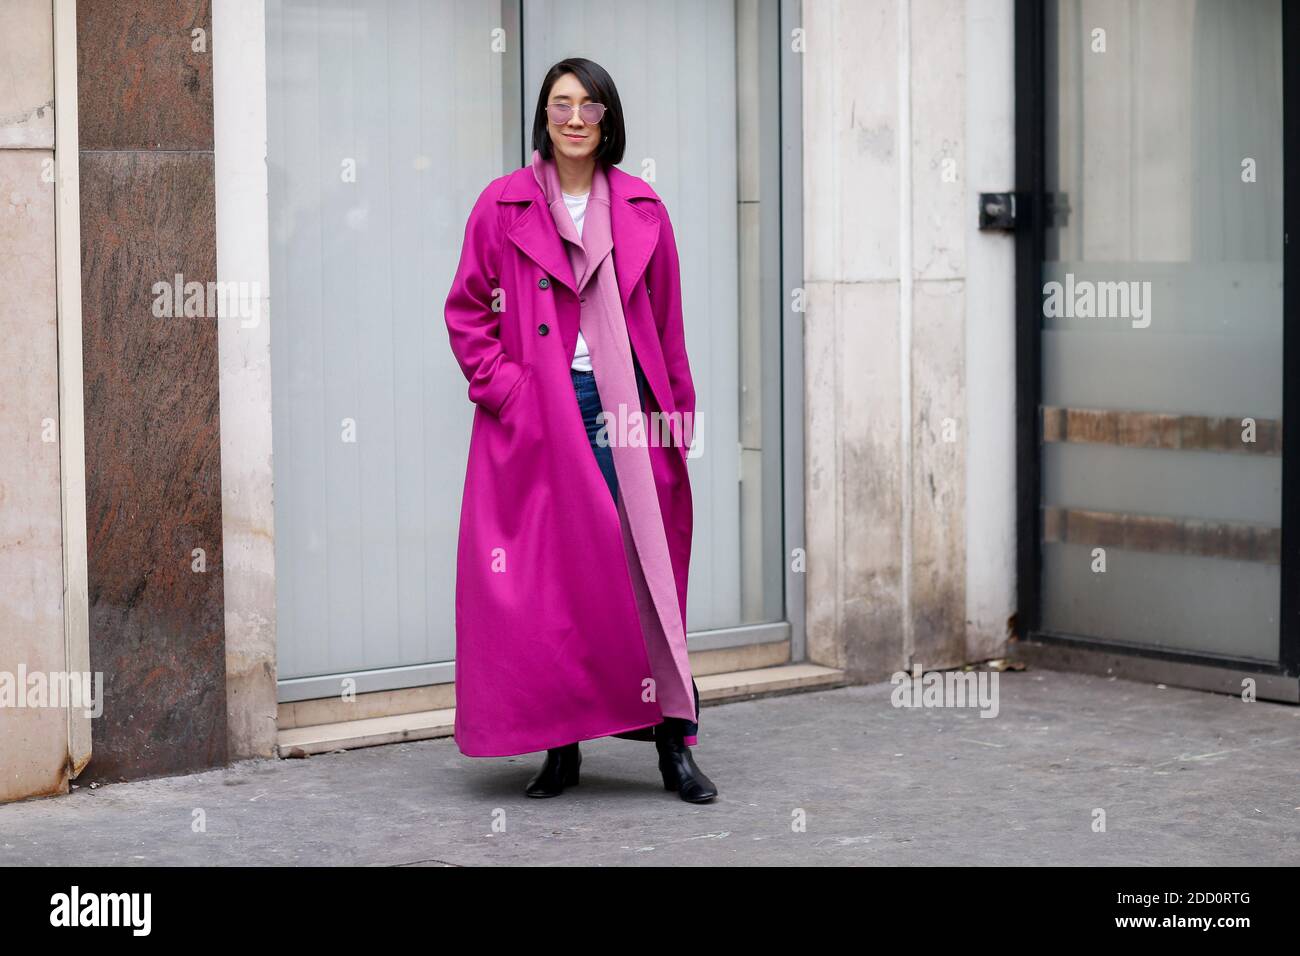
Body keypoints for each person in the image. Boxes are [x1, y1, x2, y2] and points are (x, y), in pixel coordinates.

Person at [443, 57, 717, 803]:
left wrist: (677, 418)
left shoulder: (642, 208)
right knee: (550, 585)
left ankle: (674, 745)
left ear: (607, 121)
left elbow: (667, 326)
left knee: (644, 574)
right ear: (543, 116)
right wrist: (513, 392)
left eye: (588, 106)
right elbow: (468, 311)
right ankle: (559, 748)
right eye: (560, 104)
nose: (573, 118)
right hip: (542, 412)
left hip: (625, 411)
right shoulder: (501, 205)